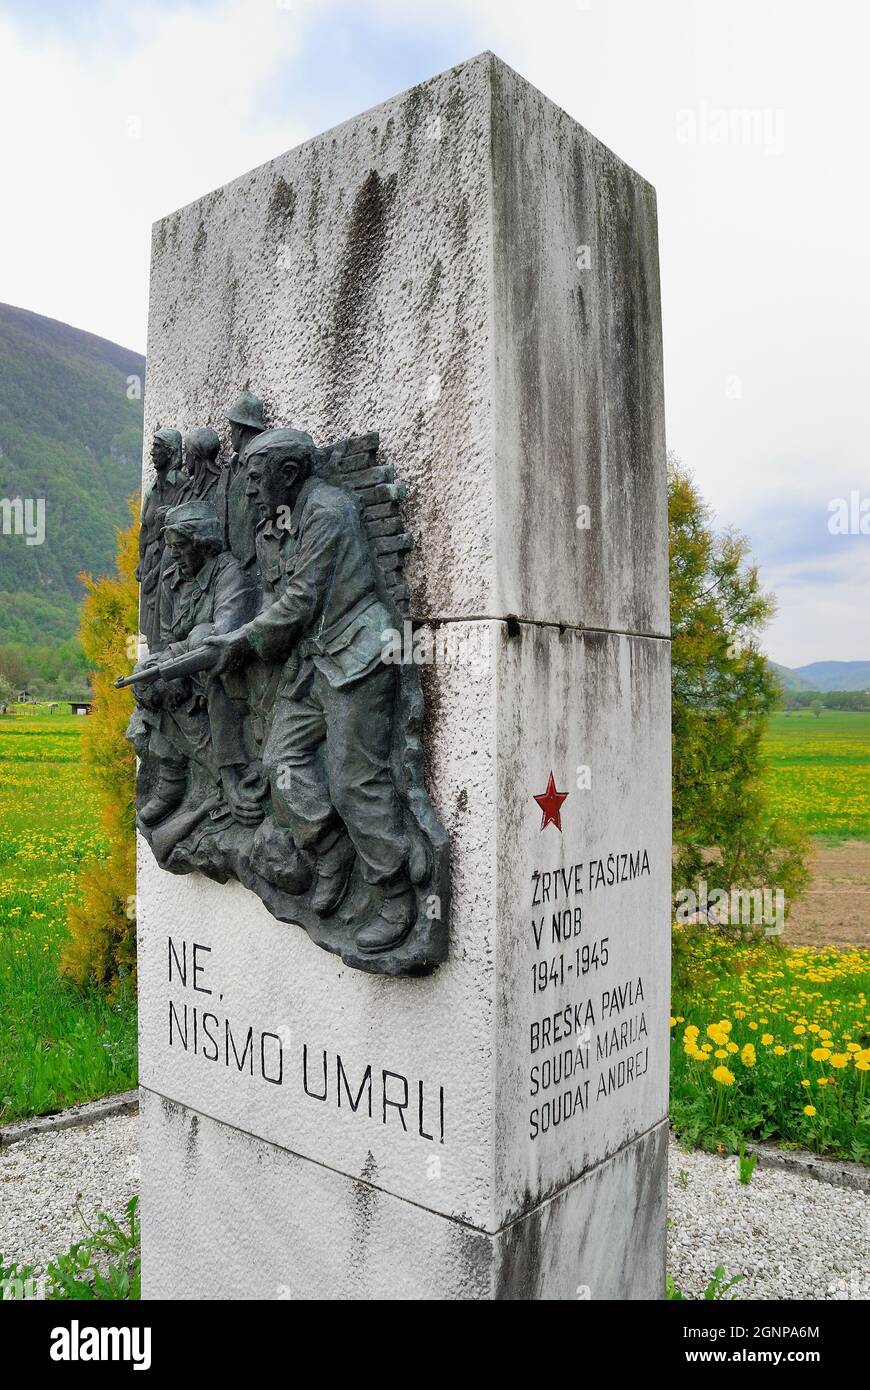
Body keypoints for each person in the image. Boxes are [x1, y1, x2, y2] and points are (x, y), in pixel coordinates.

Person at [202, 428, 415, 953]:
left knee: (353, 781)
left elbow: (301, 597)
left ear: (289, 474)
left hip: (359, 656)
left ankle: (397, 893)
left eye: (255, 478)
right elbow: (283, 595)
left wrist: (243, 641)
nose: (250, 490)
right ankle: (332, 850)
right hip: (315, 663)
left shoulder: (327, 511)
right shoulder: (285, 519)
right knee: (281, 764)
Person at [133, 501, 263, 829]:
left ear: (202, 543)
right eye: (169, 548)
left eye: (179, 547)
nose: (173, 555)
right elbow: (165, 638)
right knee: (147, 678)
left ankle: (231, 776)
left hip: (228, 667)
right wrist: (164, 661)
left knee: (214, 671)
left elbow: (223, 632)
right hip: (185, 666)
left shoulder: (229, 572)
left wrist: (180, 653)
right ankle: (172, 776)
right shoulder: (173, 578)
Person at [138, 429, 184, 651]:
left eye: (157, 447)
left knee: (165, 625)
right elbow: (144, 529)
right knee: (148, 627)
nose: (152, 452)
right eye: (153, 447)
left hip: (170, 562)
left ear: (171, 451)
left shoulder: (183, 485)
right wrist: (140, 561)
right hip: (150, 562)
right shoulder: (152, 490)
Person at [225, 390, 265, 571]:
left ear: (240, 430)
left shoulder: (257, 463)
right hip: (235, 564)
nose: (230, 434)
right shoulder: (234, 466)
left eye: (231, 428)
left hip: (252, 562)